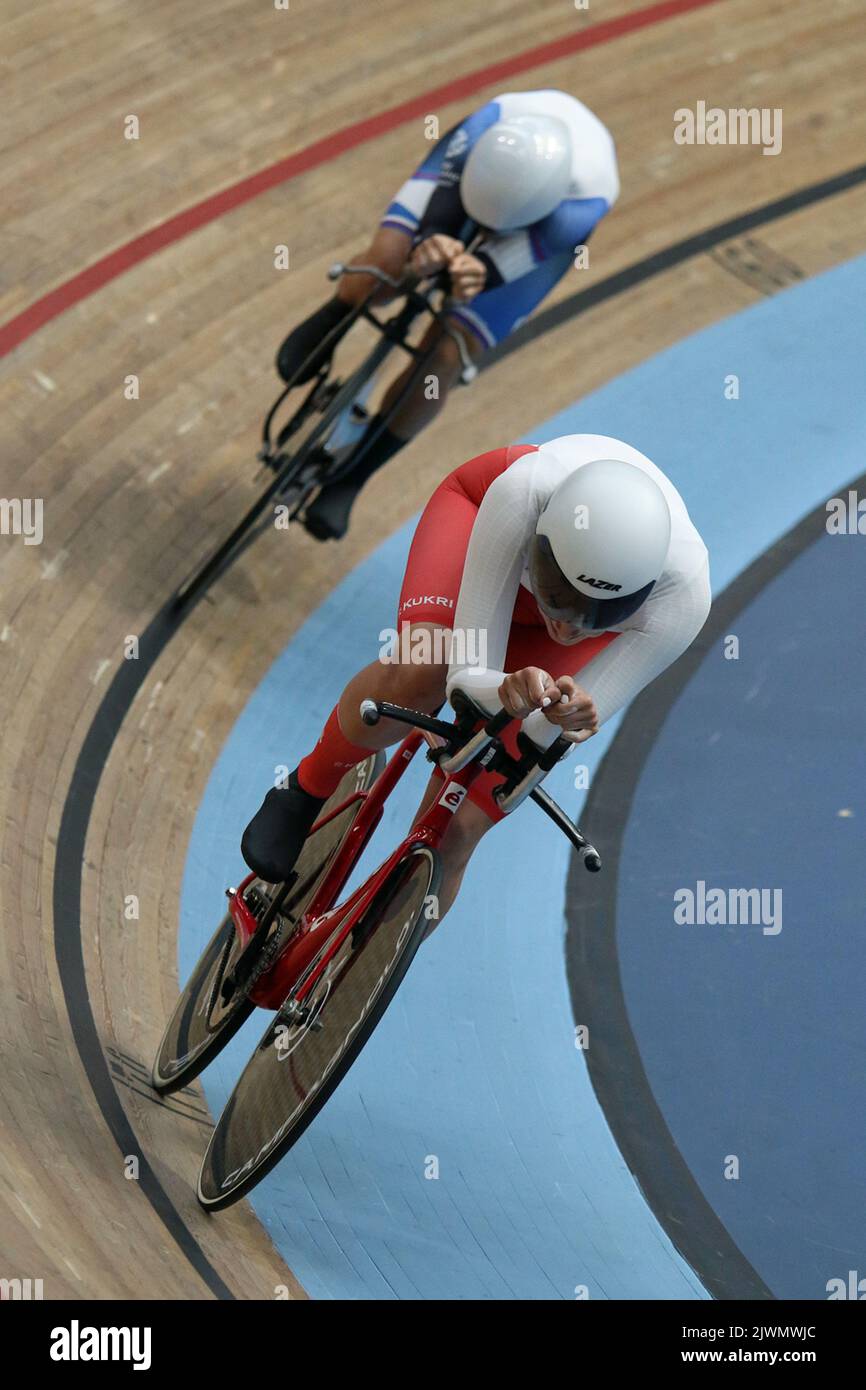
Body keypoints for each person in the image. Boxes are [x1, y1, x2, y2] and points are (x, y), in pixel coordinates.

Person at [241, 434, 711, 924]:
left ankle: (363, 963)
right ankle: (307, 785)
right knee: (423, 669)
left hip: (552, 616)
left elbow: (546, 739)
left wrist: (568, 713)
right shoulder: (523, 494)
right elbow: (466, 679)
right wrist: (502, 686)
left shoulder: (683, 601)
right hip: (477, 525)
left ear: (642, 595)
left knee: (464, 823)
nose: (568, 626)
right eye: (563, 593)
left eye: (596, 609)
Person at [278, 90, 620, 540]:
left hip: (539, 231)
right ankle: (334, 315)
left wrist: (478, 274)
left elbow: (501, 267)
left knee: (448, 350)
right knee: (388, 262)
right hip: (465, 180)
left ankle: (352, 479)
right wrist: (430, 243)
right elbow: (437, 211)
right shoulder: (480, 134)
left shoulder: (579, 206)